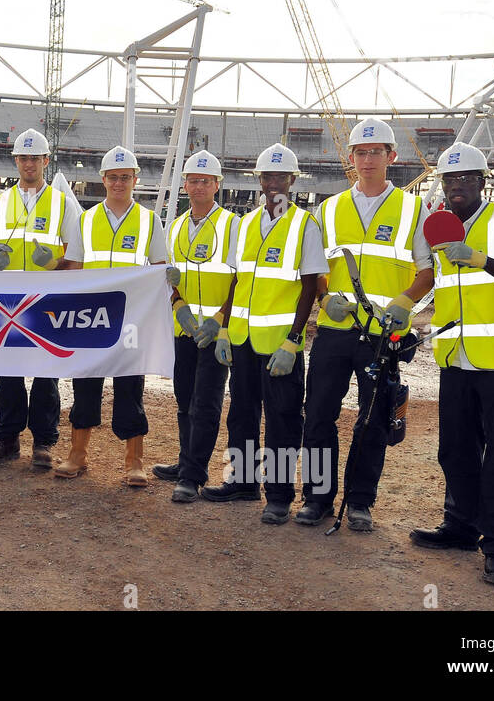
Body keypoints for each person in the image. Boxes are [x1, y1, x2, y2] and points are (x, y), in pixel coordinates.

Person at [411, 142, 494, 588]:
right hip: (457, 360)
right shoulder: (439, 232)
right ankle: (462, 525)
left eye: (465, 178)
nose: (456, 187)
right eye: (449, 180)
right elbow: (446, 293)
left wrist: (482, 259)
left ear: (482, 181)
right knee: (455, 449)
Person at [298, 118, 434, 530]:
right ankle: (317, 499)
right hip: (336, 332)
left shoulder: (414, 208)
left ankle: (360, 501)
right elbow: (315, 267)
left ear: (392, 156)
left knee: (374, 417)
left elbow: (428, 271)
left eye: (377, 151)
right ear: (351, 158)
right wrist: (324, 297)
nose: (368, 159)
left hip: (383, 336)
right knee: (319, 413)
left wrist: (406, 302)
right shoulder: (329, 209)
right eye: (361, 152)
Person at [207, 143, 326, 526]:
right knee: (241, 414)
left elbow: (310, 286)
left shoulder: (304, 224)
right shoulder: (244, 224)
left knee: (283, 417)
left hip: (278, 342)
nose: (273, 182)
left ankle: (278, 495)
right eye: (267, 176)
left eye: (280, 176)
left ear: (292, 180)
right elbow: (236, 279)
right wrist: (224, 327)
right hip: (242, 338)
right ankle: (242, 482)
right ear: (259, 179)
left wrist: (295, 340)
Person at [55, 146, 167, 486]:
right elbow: (73, 267)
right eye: (113, 177)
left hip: (132, 320)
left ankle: (135, 461)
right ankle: (78, 454)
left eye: (125, 177)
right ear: (103, 179)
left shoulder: (150, 220)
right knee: (86, 385)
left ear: (135, 180)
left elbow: (160, 269)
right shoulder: (85, 220)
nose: (119, 183)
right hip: (91, 320)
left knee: (130, 388)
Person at [0, 128, 83, 469]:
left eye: (34, 158)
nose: (28, 164)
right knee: (7, 372)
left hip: (46, 300)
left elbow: (75, 262)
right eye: (23, 158)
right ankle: (8, 439)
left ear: (45, 161)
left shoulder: (64, 206)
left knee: (45, 373)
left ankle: (43, 442)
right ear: (16, 161)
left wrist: (53, 264)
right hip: (7, 301)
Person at [153, 150, 239, 503]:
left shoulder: (233, 225)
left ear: (217, 185)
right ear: (184, 184)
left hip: (216, 332)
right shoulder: (174, 227)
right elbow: (167, 276)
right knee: (184, 396)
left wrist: (221, 321)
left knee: (206, 401)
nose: (198, 186)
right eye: (193, 180)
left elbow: (241, 279)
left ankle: (193, 474)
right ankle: (185, 459)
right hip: (183, 329)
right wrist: (176, 301)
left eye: (206, 180)